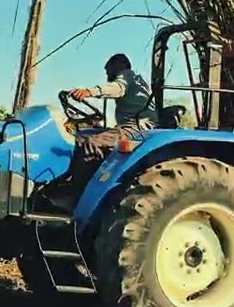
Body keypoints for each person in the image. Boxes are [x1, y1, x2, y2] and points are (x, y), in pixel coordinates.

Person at [49, 53, 158, 208]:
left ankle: (79, 196)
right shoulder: (135, 79)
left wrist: (89, 91)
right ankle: (62, 184)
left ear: (118, 66)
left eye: (108, 71)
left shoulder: (127, 76)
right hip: (127, 126)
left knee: (92, 143)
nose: (107, 75)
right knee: (79, 137)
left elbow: (117, 88)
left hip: (135, 128)